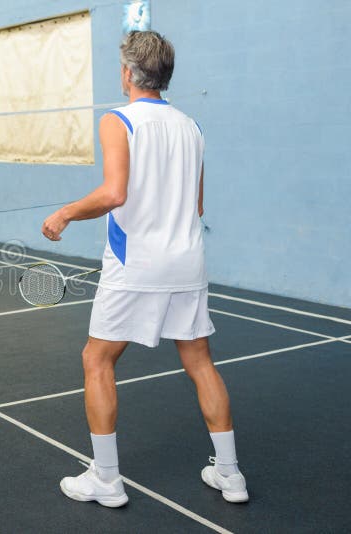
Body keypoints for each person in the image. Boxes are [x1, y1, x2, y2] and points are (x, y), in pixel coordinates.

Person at [42, 31, 248, 507]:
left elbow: (115, 193)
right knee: (200, 361)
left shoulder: (118, 121)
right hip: (187, 262)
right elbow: (195, 206)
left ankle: (106, 479)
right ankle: (230, 475)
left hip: (137, 265)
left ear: (128, 74)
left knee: (97, 359)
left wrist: (66, 213)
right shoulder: (191, 126)